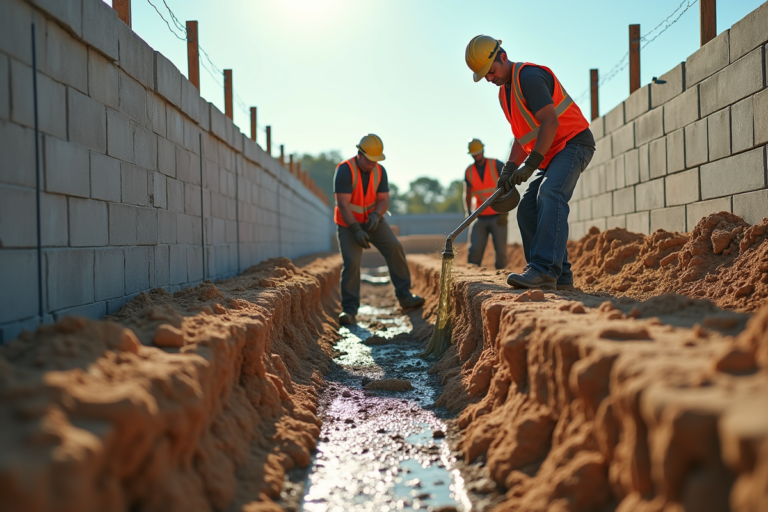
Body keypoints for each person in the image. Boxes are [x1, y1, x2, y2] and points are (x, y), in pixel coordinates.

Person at [465, 35, 596, 290]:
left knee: (550, 192)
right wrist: (508, 170)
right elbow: (521, 134)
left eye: (490, 71)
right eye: (484, 76)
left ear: (502, 56)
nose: (489, 78)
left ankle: (544, 270)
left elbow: (550, 122)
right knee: (526, 209)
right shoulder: (505, 93)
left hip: (573, 143)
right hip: (552, 153)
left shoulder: (529, 77)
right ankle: (560, 275)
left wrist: (531, 164)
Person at [334, 134, 425, 325]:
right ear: (360, 153)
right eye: (370, 160)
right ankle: (349, 310)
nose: (373, 164)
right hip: (349, 224)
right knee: (351, 262)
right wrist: (356, 230)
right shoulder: (344, 170)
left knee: (394, 247)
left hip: (374, 221)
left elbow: (384, 199)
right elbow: (342, 204)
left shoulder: (380, 171)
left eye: (376, 160)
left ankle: (405, 295)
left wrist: (376, 215)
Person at [464, 138, 508, 269]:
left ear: (483, 150)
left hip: (498, 216)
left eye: (477, 153)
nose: (476, 156)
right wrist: (469, 214)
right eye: (474, 154)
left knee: (501, 252)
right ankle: (472, 278)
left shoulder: (496, 165)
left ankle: (502, 277)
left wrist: (505, 212)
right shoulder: (469, 171)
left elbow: (507, 187)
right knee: (474, 250)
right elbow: (467, 194)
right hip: (480, 216)